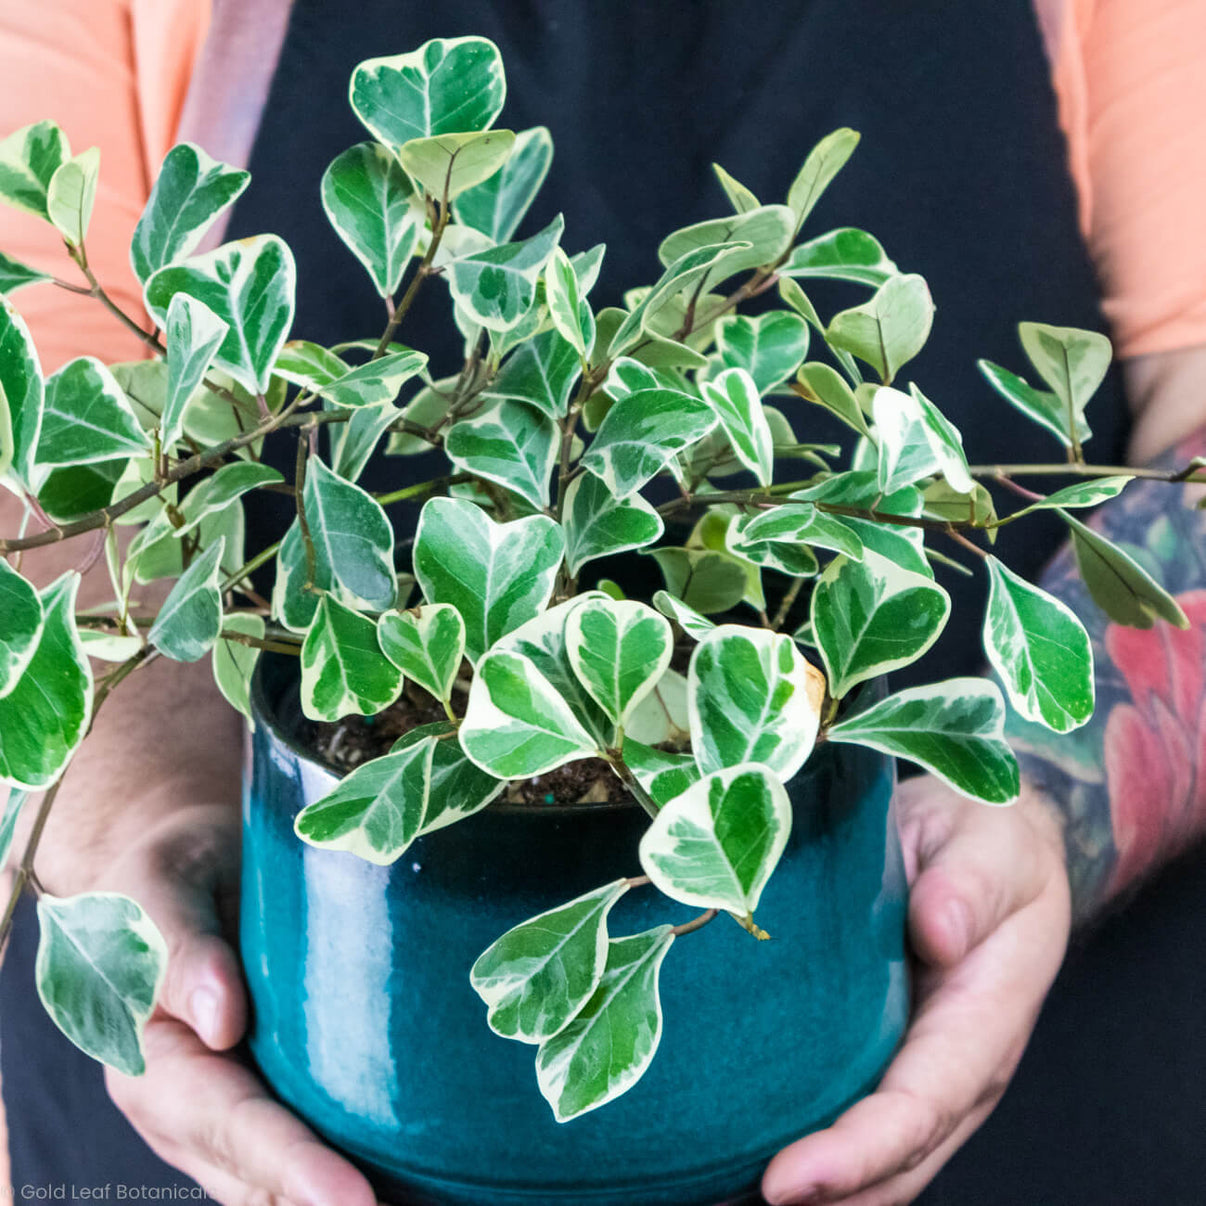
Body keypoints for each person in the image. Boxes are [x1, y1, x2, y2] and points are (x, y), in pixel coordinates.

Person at [2, 2, 1206, 1204]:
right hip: (253, 1079)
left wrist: (1045, 798)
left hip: (1042, 1097)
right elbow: (35, 457)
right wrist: (143, 804)